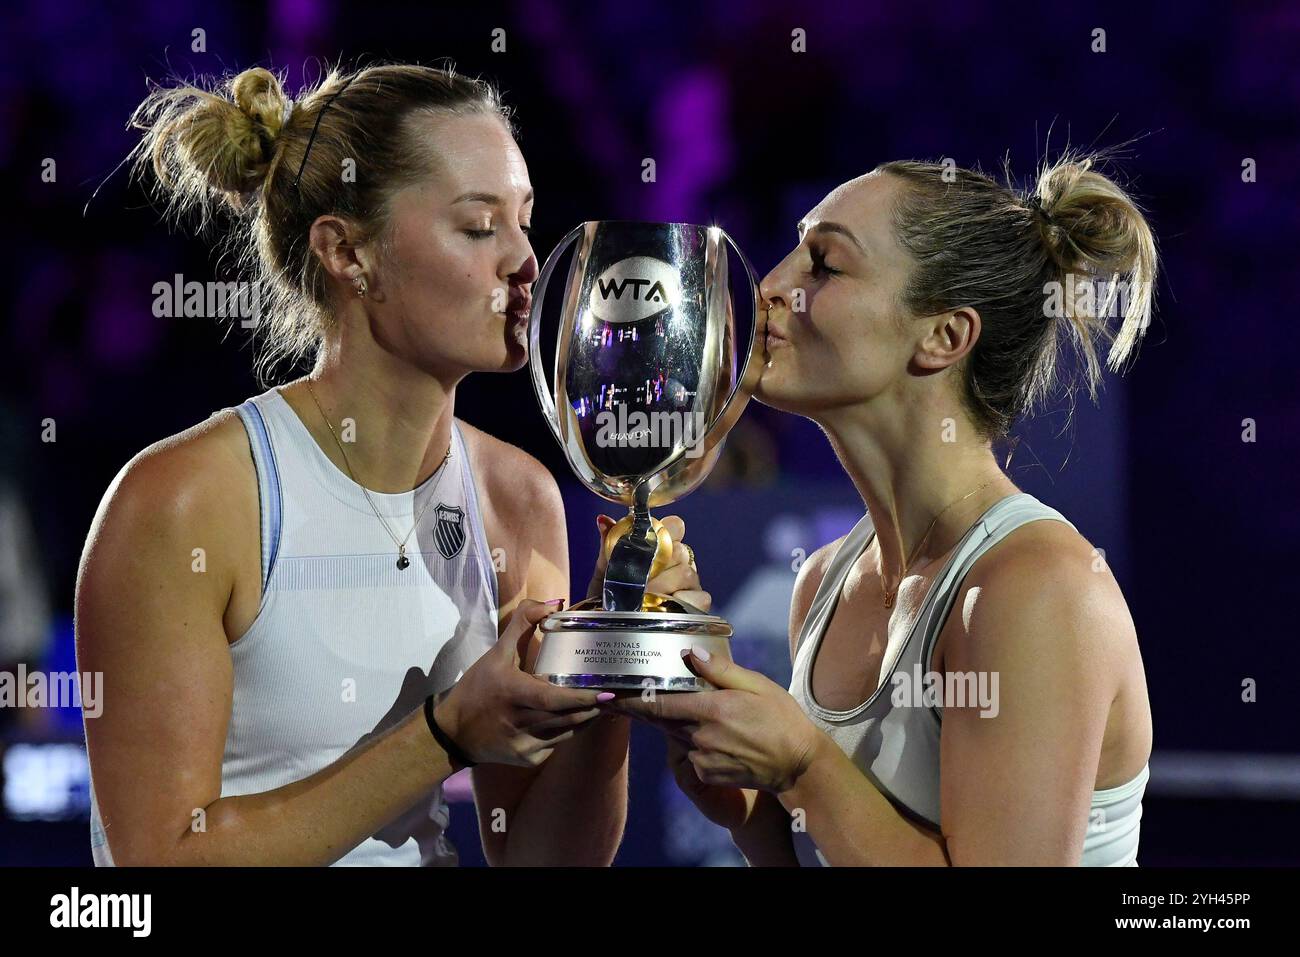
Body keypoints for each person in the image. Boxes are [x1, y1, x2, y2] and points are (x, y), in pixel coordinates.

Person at [75, 62, 708, 866]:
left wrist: (611, 652)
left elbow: (544, 857)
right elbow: (154, 864)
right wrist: (443, 734)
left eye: (525, 221)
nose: (527, 262)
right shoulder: (183, 501)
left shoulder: (518, 498)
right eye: (480, 227)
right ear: (347, 252)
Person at [610, 153, 1157, 866]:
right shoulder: (825, 581)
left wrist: (801, 765)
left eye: (824, 265)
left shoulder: (1038, 586)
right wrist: (751, 805)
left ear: (944, 337)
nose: (772, 287)